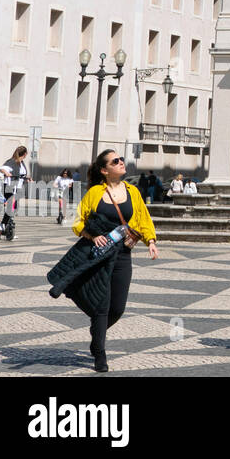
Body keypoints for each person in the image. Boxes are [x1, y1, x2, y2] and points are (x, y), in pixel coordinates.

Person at [72, 149, 159, 372]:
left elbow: (143, 217)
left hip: (122, 255)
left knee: (117, 308)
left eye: (121, 159)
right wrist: (93, 235)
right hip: (100, 255)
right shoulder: (94, 194)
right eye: (115, 161)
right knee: (102, 305)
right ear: (104, 170)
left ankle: (96, 334)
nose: (121, 162)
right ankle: (100, 353)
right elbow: (79, 222)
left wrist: (151, 240)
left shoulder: (133, 192)